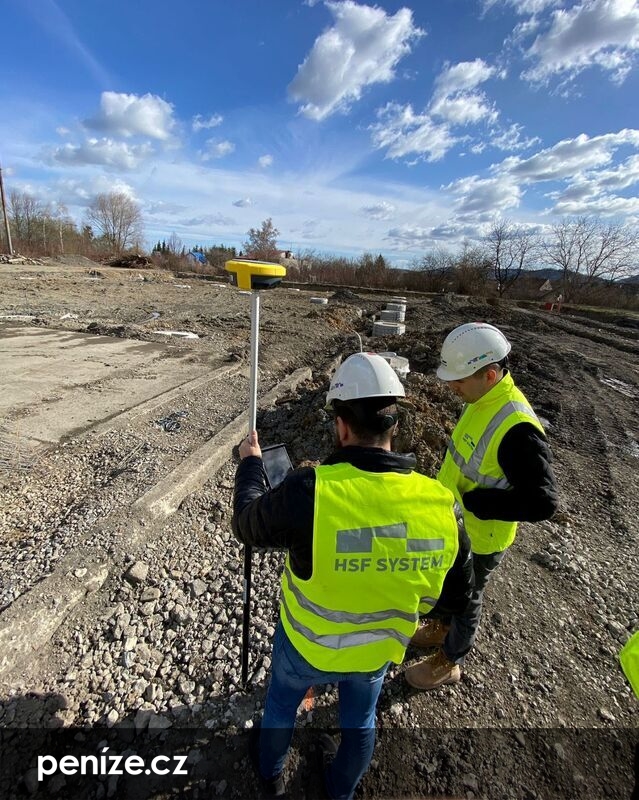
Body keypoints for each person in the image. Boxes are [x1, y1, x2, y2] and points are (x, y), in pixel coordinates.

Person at [232, 352, 473, 799]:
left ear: (341, 426)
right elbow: (458, 598)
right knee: (360, 722)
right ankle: (340, 791)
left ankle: (271, 775)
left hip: (307, 644)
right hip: (377, 651)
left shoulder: (311, 490)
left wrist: (250, 464)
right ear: (394, 426)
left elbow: (247, 522)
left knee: (282, 704)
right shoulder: (442, 504)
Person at [405, 322, 558, 691]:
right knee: (446, 583)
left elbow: (543, 501)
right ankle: (440, 628)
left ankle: (450, 660)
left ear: (489, 375)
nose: (451, 388)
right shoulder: (482, 399)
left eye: (458, 381)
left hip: (481, 538)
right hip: (455, 527)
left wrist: (480, 503)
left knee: (468, 598)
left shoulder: (517, 428)